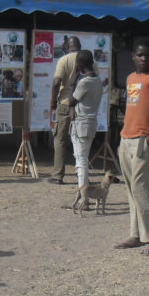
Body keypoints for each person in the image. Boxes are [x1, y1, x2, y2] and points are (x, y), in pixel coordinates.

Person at [114, 40, 149, 257]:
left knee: (141, 187)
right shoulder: (130, 78)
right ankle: (135, 234)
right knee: (130, 188)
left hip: (143, 139)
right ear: (133, 57)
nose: (144, 59)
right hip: (126, 137)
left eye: (148, 56)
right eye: (140, 55)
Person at [67, 50, 103, 191]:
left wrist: (73, 82)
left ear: (79, 66)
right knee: (83, 159)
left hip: (81, 124)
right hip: (91, 123)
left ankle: (84, 197)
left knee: (81, 161)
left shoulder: (84, 83)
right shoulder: (98, 81)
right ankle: (85, 193)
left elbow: (71, 101)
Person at [49, 35, 81, 184]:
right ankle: (82, 174)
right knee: (81, 139)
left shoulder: (64, 60)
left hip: (65, 103)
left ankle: (58, 175)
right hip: (81, 104)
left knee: (60, 140)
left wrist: (52, 102)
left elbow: (56, 83)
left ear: (67, 47)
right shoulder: (87, 59)